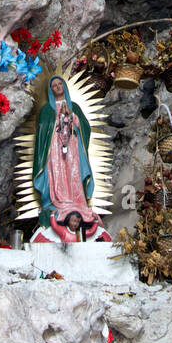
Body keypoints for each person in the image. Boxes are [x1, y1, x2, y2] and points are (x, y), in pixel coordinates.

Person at [31, 76, 110, 243]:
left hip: (73, 149)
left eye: (60, 84)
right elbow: (42, 134)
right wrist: (55, 127)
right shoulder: (47, 110)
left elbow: (85, 128)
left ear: (65, 87)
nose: (58, 87)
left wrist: (72, 117)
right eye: (54, 85)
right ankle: (58, 201)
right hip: (55, 152)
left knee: (73, 174)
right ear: (51, 90)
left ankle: (77, 201)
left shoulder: (74, 107)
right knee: (58, 175)